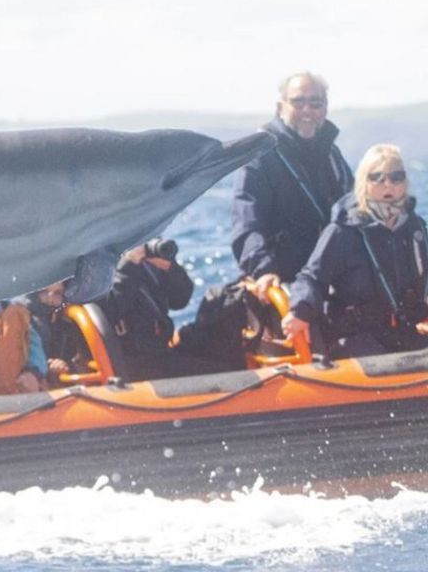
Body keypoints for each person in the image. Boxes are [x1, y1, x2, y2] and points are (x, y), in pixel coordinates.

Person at [283, 145, 428, 358]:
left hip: (406, 330)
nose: (388, 184)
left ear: (404, 183)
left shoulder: (416, 228)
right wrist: (299, 311)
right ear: (364, 183)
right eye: (377, 177)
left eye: (396, 177)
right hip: (357, 335)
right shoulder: (343, 232)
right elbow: (312, 278)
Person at [231, 72, 353, 301]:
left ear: (325, 108)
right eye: (298, 102)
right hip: (283, 282)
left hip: (332, 279)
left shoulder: (333, 156)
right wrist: (263, 270)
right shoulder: (261, 156)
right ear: (280, 107)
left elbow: (357, 211)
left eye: (315, 103)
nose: (307, 110)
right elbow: (247, 224)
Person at [97, 238, 230, 380]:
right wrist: (127, 267)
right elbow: (108, 311)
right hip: (129, 362)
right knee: (226, 376)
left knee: (224, 354)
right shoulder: (98, 266)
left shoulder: (144, 260)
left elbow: (180, 300)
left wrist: (170, 268)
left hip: (158, 352)